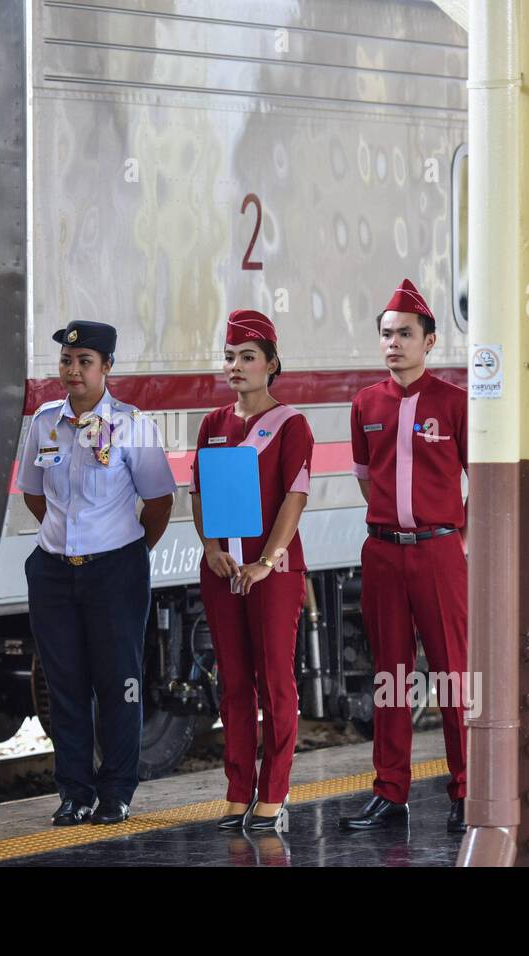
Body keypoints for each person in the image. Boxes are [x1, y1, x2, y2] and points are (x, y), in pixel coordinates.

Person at [17, 319, 177, 826]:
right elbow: (33, 493)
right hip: (54, 573)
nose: (73, 370)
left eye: (84, 361)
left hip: (116, 572)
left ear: (107, 367)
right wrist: (68, 543)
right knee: (64, 686)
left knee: (119, 684)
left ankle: (116, 792)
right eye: (66, 361)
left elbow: (158, 501)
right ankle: (74, 793)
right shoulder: (45, 422)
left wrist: (124, 553)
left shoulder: (132, 425)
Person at [339, 279, 470, 835]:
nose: (394, 343)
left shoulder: (455, 402)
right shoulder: (366, 404)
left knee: (453, 676)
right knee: (389, 675)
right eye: (387, 335)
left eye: (405, 334)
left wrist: (457, 540)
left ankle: (467, 790)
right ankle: (390, 792)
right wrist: (397, 524)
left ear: (430, 341)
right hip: (385, 554)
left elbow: (480, 480)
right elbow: (369, 483)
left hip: (441, 552)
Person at [190, 309, 313, 832]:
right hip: (222, 571)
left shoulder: (291, 425)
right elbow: (198, 494)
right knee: (234, 683)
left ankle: (274, 791)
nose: (235, 366)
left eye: (247, 357)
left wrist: (265, 562)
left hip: (273, 571)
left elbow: (295, 496)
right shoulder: (213, 425)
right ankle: (238, 791)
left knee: (275, 682)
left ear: (271, 365)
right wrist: (212, 548)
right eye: (230, 357)